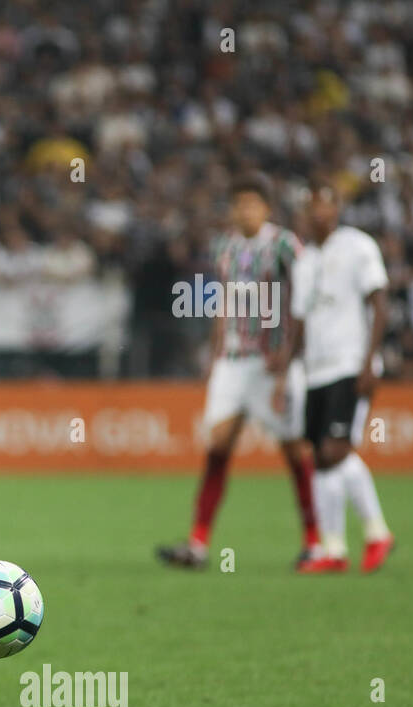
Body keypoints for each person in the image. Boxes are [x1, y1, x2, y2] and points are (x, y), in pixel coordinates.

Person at [157, 173, 318, 569]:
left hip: (270, 364)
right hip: (232, 360)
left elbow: (303, 298)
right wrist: (213, 354)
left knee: (295, 449)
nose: (245, 210)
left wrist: (290, 354)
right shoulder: (224, 246)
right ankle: (197, 543)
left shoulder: (284, 244)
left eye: (252, 203)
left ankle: (316, 539)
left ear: (266, 208)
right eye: (239, 203)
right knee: (217, 445)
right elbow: (221, 301)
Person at [293, 179, 395, 573]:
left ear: (337, 209)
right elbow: (299, 320)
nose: (318, 213)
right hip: (316, 369)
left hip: (350, 362)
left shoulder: (358, 246)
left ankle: (377, 531)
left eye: (325, 205)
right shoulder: (305, 261)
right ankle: (333, 550)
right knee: (319, 458)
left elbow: (379, 303)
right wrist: (286, 369)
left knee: (335, 450)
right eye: (312, 206)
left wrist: (370, 361)